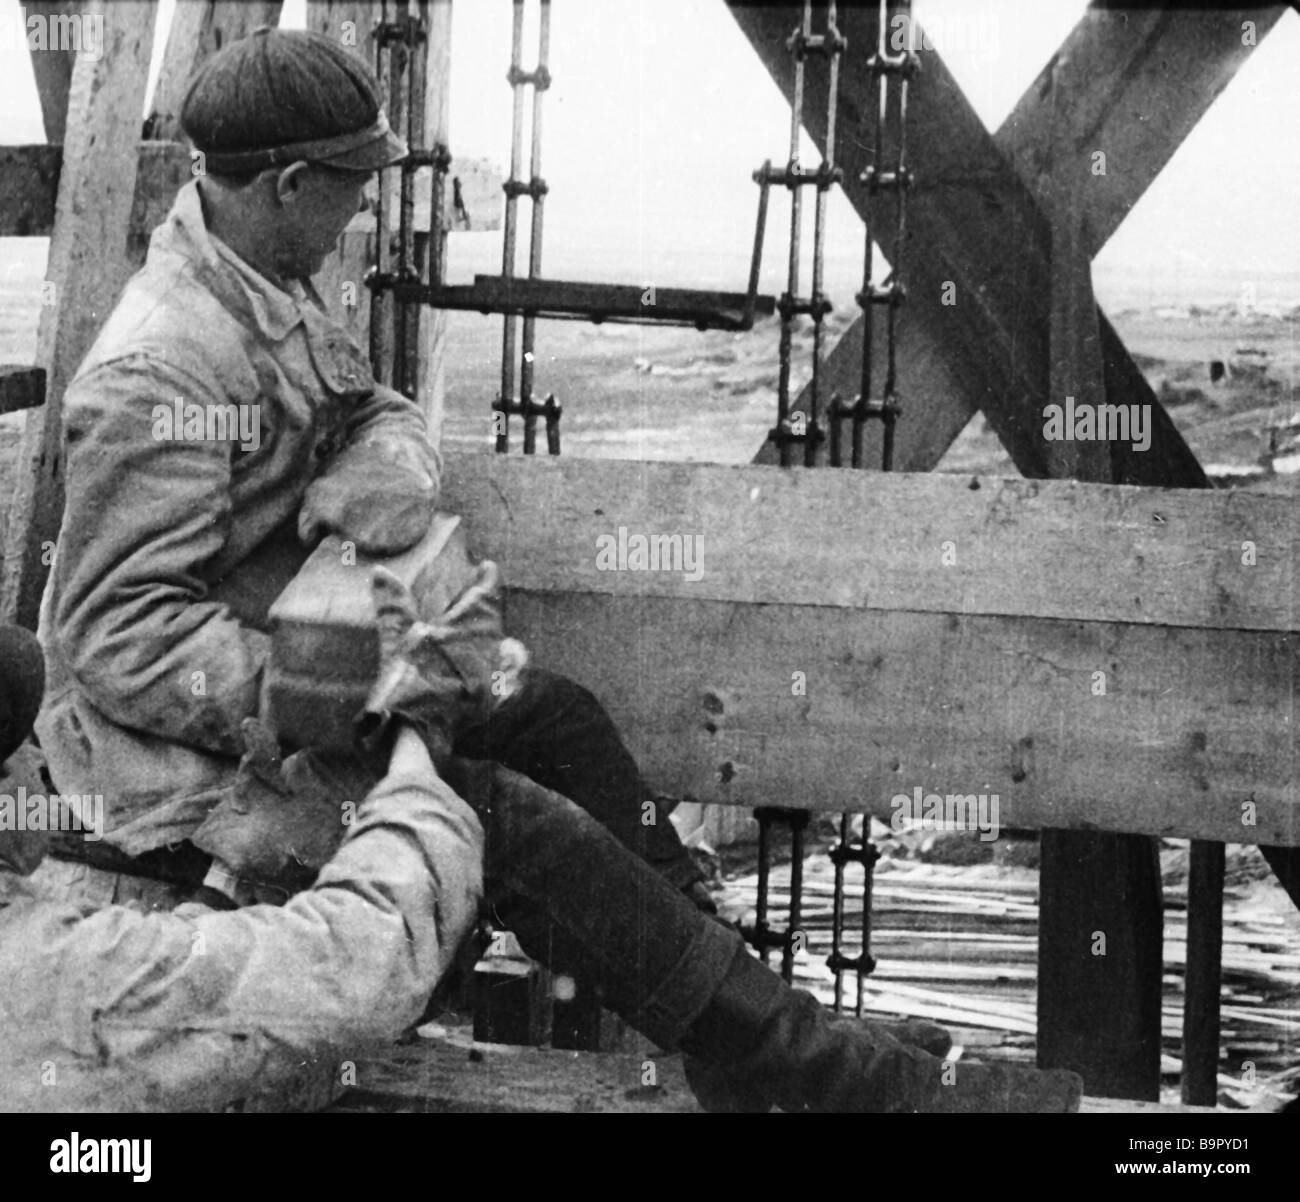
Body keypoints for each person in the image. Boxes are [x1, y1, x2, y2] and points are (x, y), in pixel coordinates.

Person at [29, 28, 1080, 1112]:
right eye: (348, 191)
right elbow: (116, 634)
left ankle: (750, 1033)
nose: (356, 218)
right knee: (505, 822)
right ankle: (847, 1083)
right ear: (290, 183)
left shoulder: (260, 281)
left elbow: (375, 410)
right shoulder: (162, 362)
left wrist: (379, 472)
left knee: (553, 714)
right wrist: (331, 688)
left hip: (315, 689)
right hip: (180, 768)